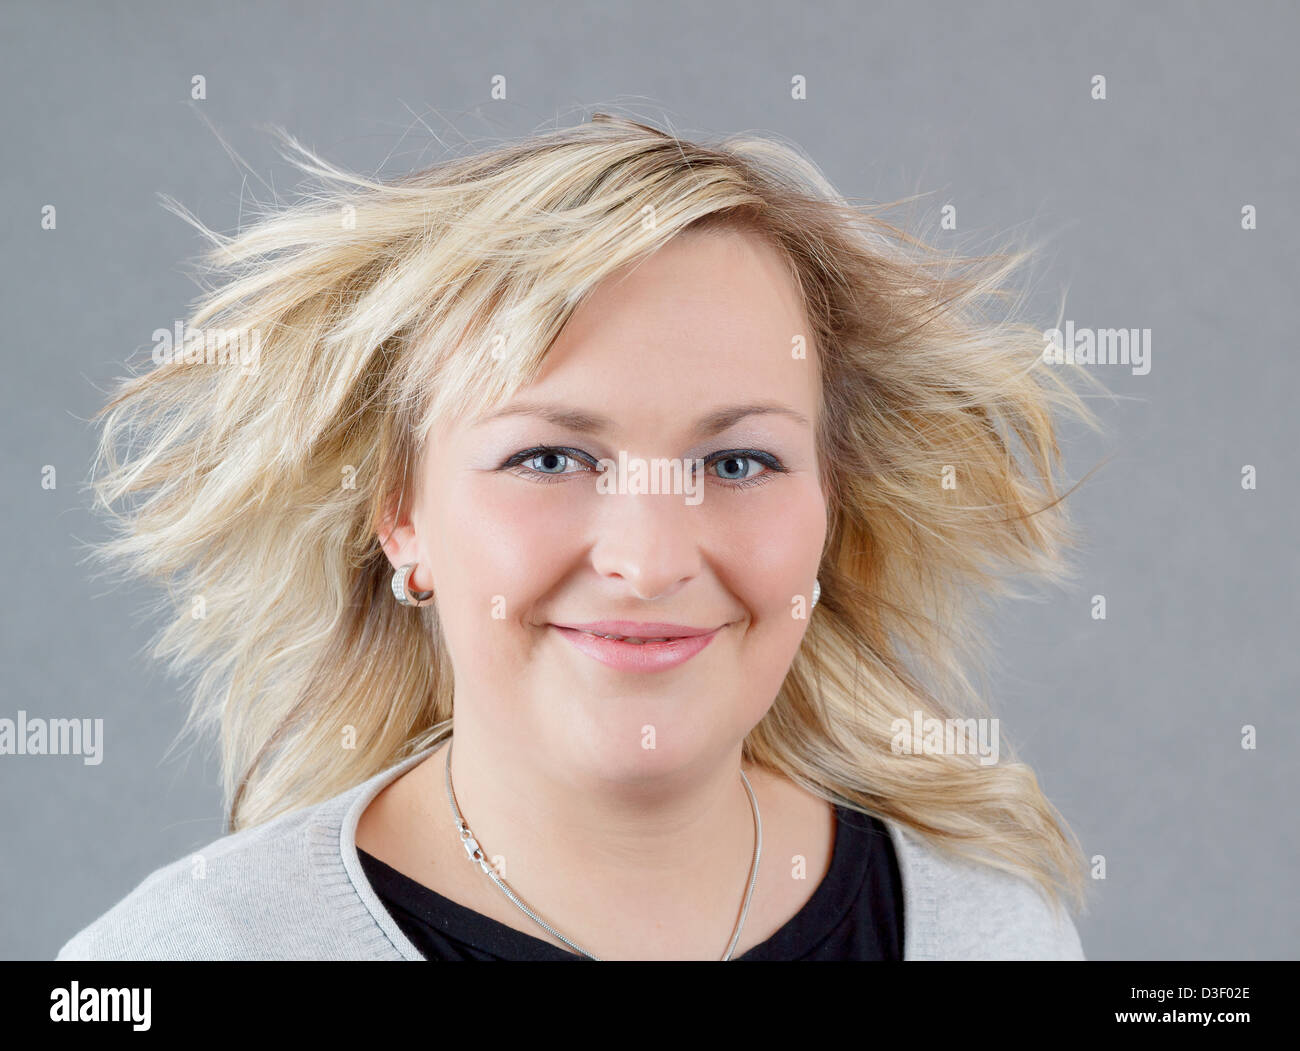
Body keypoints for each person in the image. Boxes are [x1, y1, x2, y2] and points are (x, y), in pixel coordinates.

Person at [57, 112, 1101, 961]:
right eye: (549, 460)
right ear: (401, 515)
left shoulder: (986, 934)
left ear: (828, 511)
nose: (648, 562)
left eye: (737, 463)